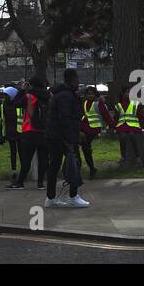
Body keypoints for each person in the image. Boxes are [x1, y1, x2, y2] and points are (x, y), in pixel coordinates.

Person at [45, 69, 89, 207]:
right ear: (72, 79)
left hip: (55, 136)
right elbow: (66, 119)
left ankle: (51, 198)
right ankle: (73, 195)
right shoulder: (66, 96)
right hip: (64, 137)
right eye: (77, 78)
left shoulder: (62, 94)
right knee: (75, 163)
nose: (78, 81)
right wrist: (71, 140)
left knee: (55, 165)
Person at [7, 77, 48, 190]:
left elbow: (14, 104)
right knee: (43, 158)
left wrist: (21, 90)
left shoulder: (29, 96)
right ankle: (40, 183)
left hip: (30, 131)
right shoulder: (47, 97)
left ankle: (20, 182)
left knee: (26, 159)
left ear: (31, 85)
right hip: (44, 132)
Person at [112, 85, 144, 169]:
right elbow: (116, 118)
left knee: (132, 136)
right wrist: (113, 127)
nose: (129, 94)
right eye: (127, 92)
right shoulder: (118, 105)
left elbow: (141, 117)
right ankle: (123, 157)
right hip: (122, 126)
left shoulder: (136, 104)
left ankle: (138, 158)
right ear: (122, 94)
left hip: (133, 126)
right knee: (123, 137)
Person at [79, 85, 104, 178]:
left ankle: (92, 168)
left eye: (92, 94)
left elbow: (106, 116)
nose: (90, 96)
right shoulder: (84, 103)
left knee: (85, 147)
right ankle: (92, 168)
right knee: (85, 148)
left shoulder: (98, 104)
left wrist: (113, 126)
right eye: (88, 94)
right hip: (85, 127)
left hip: (94, 128)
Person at [2, 86, 22, 182]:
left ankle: (22, 171)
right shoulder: (4, 104)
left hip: (19, 131)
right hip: (10, 131)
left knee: (21, 152)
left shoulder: (17, 104)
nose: (5, 97)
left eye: (7, 95)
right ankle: (13, 170)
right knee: (13, 152)